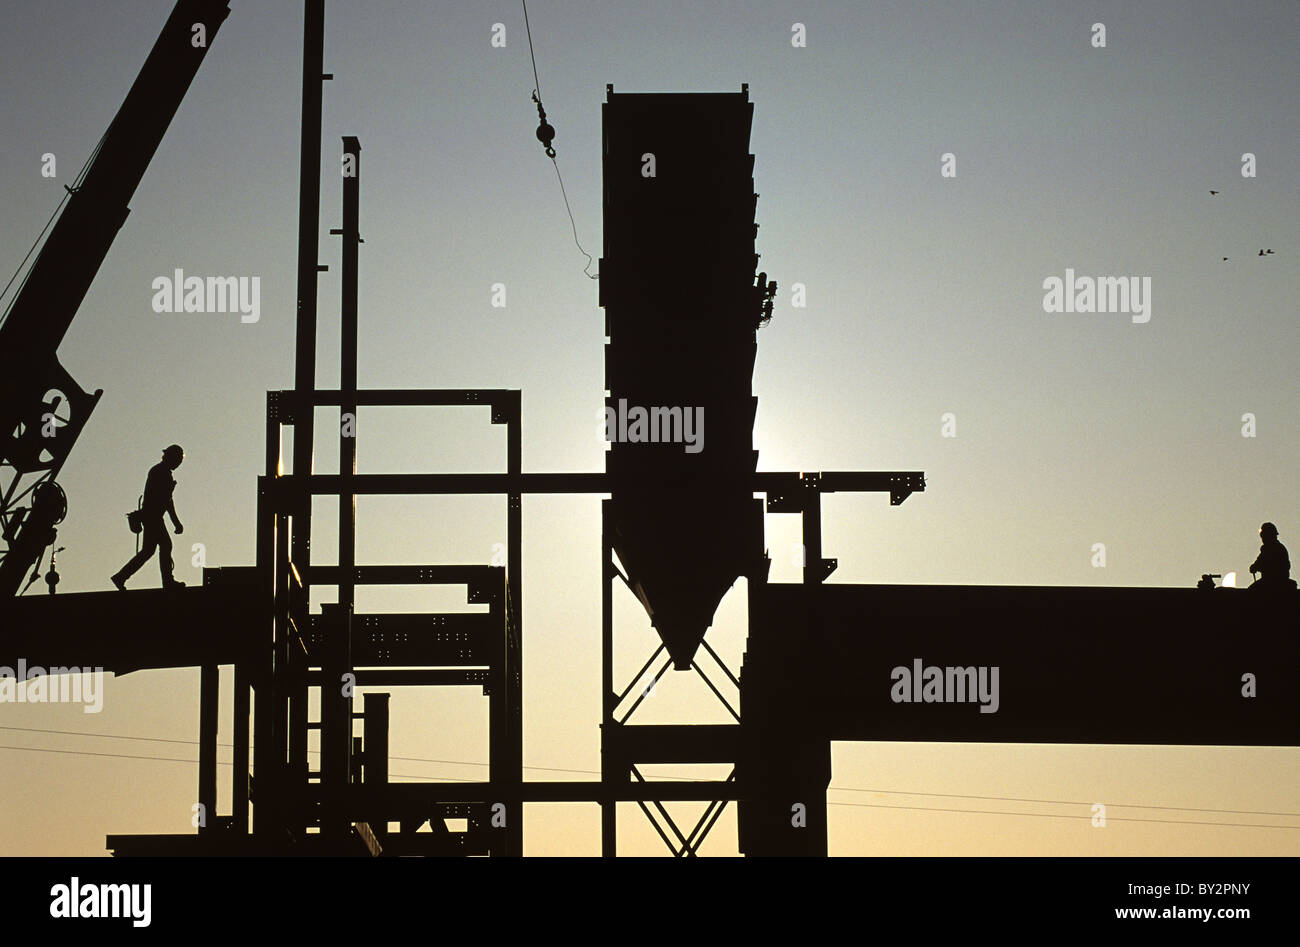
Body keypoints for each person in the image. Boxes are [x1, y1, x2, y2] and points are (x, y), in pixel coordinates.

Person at [111, 444, 186, 590]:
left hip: (153, 516)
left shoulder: (162, 472)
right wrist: (176, 522)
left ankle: (120, 577)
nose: (178, 464)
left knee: (148, 551)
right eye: (177, 460)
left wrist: (175, 521)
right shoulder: (160, 472)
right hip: (153, 516)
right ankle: (167, 582)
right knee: (165, 545)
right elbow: (165, 500)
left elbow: (166, 501)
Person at [1248, 522, 1291, 591]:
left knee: (1251, 592)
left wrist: (1255, 567)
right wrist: (1255, 567)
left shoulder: (1271, 548)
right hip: (1277, 580)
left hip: (1272, 581)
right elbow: (1260, 561)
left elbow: (1263, 563)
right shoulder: (1277, 547)